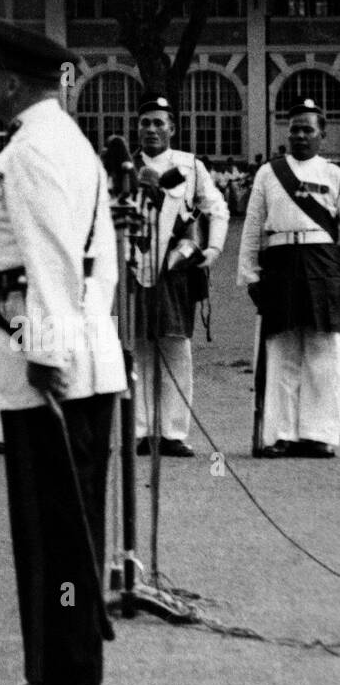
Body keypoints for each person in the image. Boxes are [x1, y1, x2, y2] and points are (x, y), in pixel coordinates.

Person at [0, 20, 126, 685]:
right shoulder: (68, 143)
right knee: (65, 521)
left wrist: (45, 352)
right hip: (81, 349)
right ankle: (67, 665)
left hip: (51, 363)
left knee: (50, 525)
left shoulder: (31, 151)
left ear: (10, 82)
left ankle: (60, 672)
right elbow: (100, 261)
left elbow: (51, 259)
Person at [238, 97, 340, 458]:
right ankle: (280, 434)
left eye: (307, 129)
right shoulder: (269, 172)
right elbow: (252, 226)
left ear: (322, 135)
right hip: (280, 262)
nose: (299, 135)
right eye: (294, 128)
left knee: (322, 352)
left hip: (322, 264)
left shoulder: (333, 174)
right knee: (280, 351)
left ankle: (317, 433)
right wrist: (250, 273)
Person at [130, 94, 229, 457]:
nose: (152, 129)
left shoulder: (190, 166)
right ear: (136, 127)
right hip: (135, 264)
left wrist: (213, 250)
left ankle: (172, 431)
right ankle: (141, 430)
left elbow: (216, 208)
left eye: (159, 123)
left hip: (175, 267)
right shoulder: (123, 166)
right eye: (145, 123)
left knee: (175, 346)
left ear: (173, 127)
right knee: (138, 346)